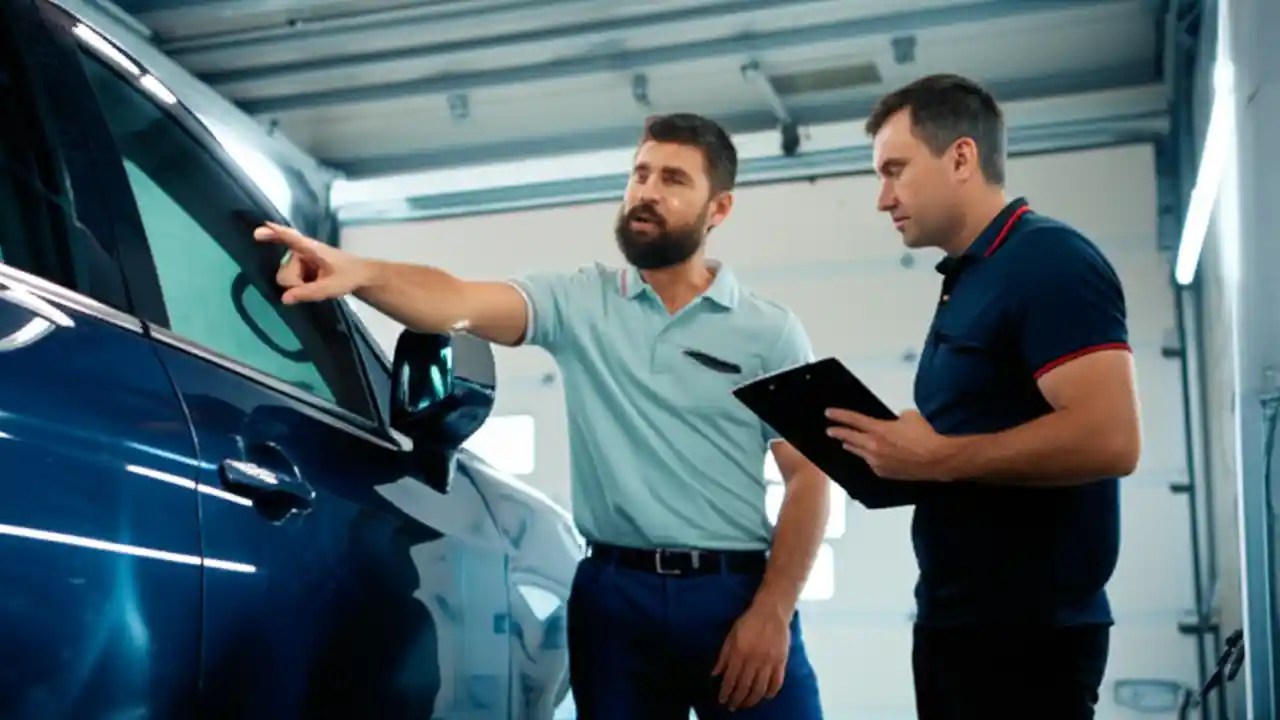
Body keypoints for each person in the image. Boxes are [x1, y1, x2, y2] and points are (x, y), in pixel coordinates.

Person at [253, 112, 828, 719]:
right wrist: (358, 272)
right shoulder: (580, 301)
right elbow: (455, 300)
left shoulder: (768, 332)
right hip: (613, 596)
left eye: (674, 180)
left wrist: (773, 610)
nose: (647, 192)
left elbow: (809, 474)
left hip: (735, 594)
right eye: (640, 173)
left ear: (719, 208)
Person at [824, 74, 1141, 719]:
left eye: (895, 171)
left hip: (1026, 643)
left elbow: (1110, 438)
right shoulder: (971, 278)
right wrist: (897, 459)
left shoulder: (1049, 261)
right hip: (959, 626)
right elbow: (973, 440)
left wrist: (937, 459)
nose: (883, 198)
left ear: (961, 157)